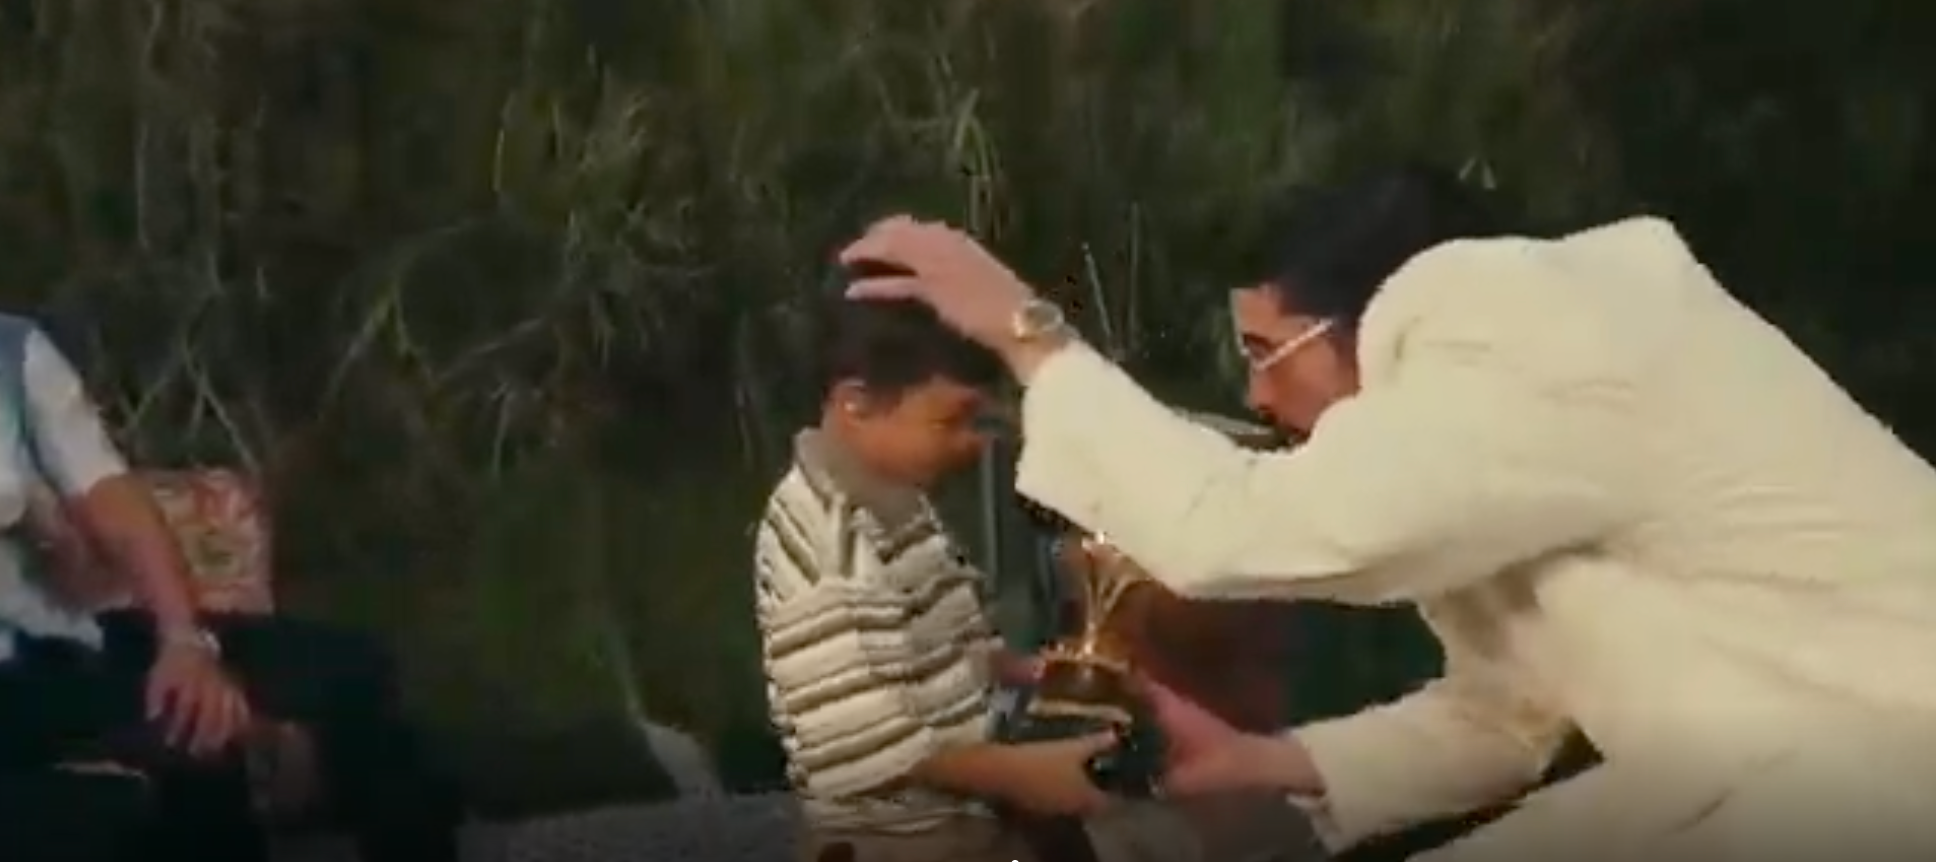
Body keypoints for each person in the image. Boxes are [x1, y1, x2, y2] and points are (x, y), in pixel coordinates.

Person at [837, 166, 1936, 862]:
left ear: (1382, 312)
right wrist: (1265, 763)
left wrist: (1025, 329)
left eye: (1269, 355)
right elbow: (1506, 713)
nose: (1260, 398)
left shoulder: (1516, 318)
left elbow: (1229, 530)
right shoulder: (1513, 425)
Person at [752, 297, 1319, 862]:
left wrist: (1020, 667)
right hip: (902, 840)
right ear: (855, 404)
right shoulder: (826, 545)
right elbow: (863, 748)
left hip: (968, 804)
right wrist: (1027, 776)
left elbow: (937, 640)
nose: (975, 442)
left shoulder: (894, 499)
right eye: (951, 421)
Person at [0, 314, 462, 862]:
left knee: (354, 670)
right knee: (193, 747)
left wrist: (184, 640)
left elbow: (110, 498)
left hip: (66, 638)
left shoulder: (16, 349)